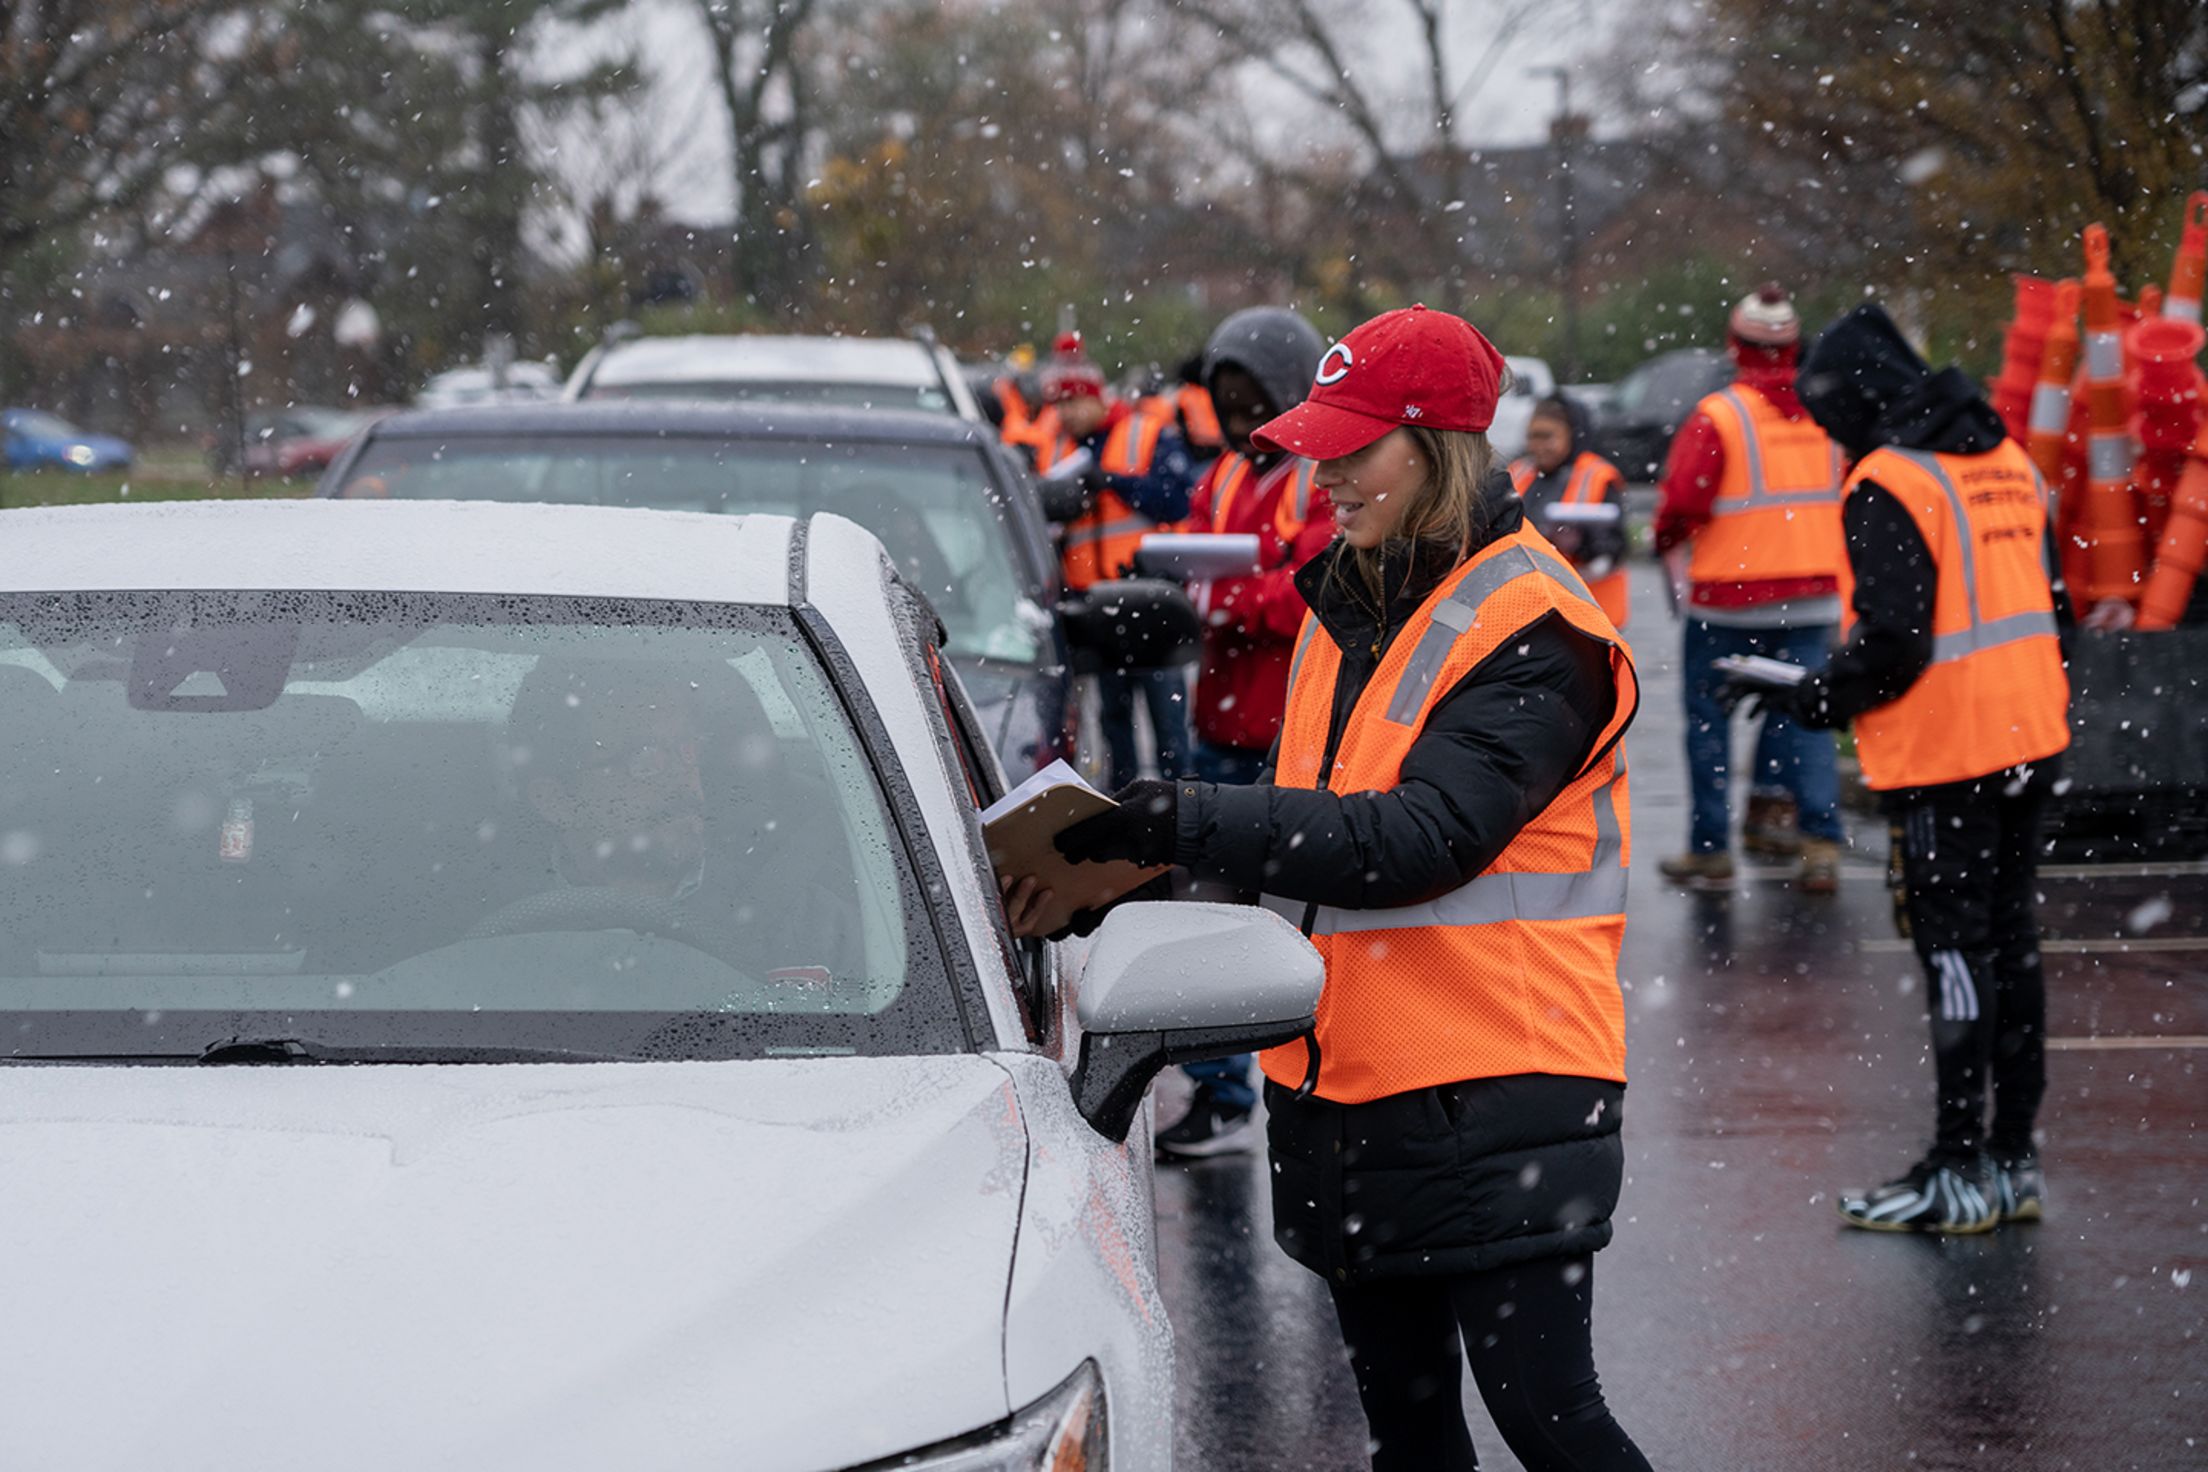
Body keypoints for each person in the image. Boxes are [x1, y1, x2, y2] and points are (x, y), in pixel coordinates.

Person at [1007, 305, 1652, 1472]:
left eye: (1355, 449)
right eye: (1321, 447)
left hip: (1502, 1083)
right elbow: (1302, 833)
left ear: (1437, 449)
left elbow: (1416, 840)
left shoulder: (1537, 627)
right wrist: (1114, 869)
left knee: (1551, 1420)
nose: (1326, 475)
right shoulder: (1353, 606)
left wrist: (1179, 814)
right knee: (1410, 1439)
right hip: (1351, 1086)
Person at [1760, 304, 2071, 1233]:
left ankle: (1956, 1165)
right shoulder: (2007, 459)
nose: (1832, 437)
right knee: (2011, 946)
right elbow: (2050, 605)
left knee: (1956, 955)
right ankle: (2011, 1159)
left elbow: (1895, 641)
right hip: (2029, 736)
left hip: (1947, 754)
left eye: (1831, 417)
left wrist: (1814, 696)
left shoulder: (1889, 479)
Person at [1154, 305, 1332, 1160]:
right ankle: (1222, 1093)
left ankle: (1310, 1082)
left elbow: (1312, 588)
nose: (1233, 415)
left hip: (1291, 732)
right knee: (1212, 919)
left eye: (1247, 395)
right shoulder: (1221, 477)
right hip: (1220, 725)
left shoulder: (1317, 478)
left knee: (1294, 925)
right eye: (1225, 398)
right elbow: (1189, 561)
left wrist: (1226, 600)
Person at [1654, 282, 1849, 892]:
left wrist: (1666, 538)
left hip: (1728, 600)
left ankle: (1711, 850)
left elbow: (1684, 501)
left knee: (1708, 725)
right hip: (1813, 594)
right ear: (1794, 346)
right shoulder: (1828, 413)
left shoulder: (1719, 415)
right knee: (1809, 718)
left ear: (1734, 344)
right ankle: (1820, 845)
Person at [489, 658, 860, 976]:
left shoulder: (806, 930)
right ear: (555, 801)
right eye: (646, 758)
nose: (683, 779)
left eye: (687, 750)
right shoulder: (483, 925)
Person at [1032, 332, 1199, 791]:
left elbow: (1177, 501)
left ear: (1096, 397)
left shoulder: (1145, 434)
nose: (1065, 414)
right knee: (1113, 721)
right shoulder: (1058, 448)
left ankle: (1180, 805)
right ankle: (1126, 806)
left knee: (1168, 721)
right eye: (1058, 405)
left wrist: (1112, 482)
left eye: (1073, 402)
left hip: (1150, 600)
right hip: (1096, 608)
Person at [1510, 394, 1631, 626]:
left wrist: (1580, 544)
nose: (1538, 446)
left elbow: (1615, 548)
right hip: (1532, 611)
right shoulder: (1517, 472)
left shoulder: (1598, 476)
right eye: (1533, 436)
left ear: (1571, 434)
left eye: (1547, 436)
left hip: (1590, 613)